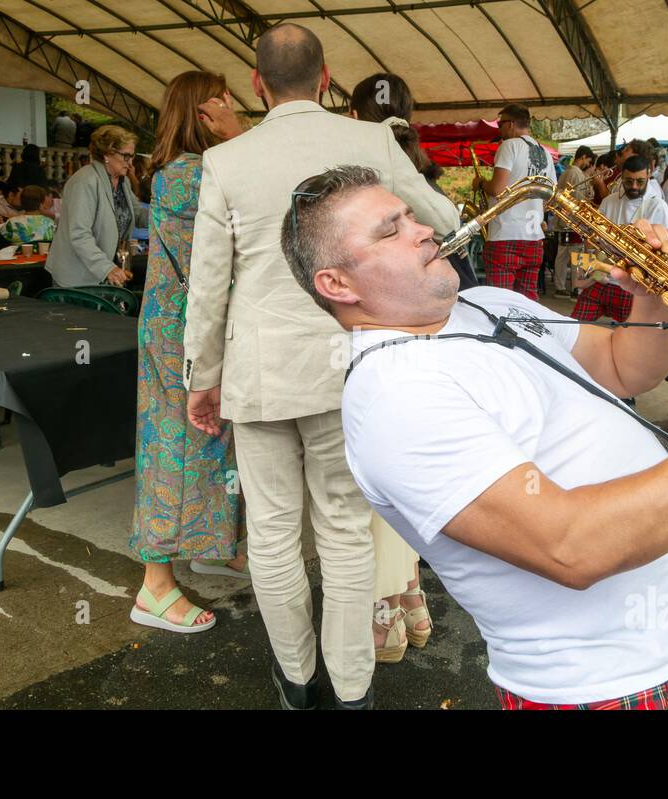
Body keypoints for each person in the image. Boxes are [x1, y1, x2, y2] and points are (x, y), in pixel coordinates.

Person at [285, 165, 668, 709]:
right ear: (336, 283)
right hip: (604, 686)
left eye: (411, 215)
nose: (425, 229)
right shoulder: (393, 395)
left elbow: (625, 366)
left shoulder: (484, 303)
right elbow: (573, 547)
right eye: (393, 230)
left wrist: (652, 295)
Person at [182, 23, 459, 711]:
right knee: (342, 525)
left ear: (256, 83)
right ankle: (354, 686)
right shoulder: (369, 141)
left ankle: (298, 681)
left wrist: (202, 377)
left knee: (272, 533)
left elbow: (207, 284)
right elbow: (445, 221)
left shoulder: (227, 161)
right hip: (354, 365)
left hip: (260, 371)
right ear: (327, 77)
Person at [125, 71, 249, 635]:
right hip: (182, 338)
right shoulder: (190, 175)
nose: (232, 106)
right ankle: (153, 587)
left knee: (209, 447)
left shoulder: (193, 170)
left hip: (190, 331)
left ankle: (211, 545)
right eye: (221, 100)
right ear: (203, 111)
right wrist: (241, 134)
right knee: (173, 453)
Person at [347, 72, 442, 660]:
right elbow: (445, 219)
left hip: (370, 323)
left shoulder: (366, 148)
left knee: (370, 470)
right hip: (417, 330)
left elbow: (442, 216)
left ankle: (384, 611)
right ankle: (409, 594)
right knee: (398, 464)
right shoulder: (408, 151)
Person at [347, 72, 475, 295]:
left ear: (354, 116)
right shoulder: (417, 169)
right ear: (409, 113)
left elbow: (446, 224)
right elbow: (449, 224)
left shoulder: (359, 167)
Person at [571, 155, 668, 326]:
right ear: (621, 176)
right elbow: (592, 237)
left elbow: (663, 251)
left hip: (634, 285)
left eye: (640, 182)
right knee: (574, 325)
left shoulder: (658, 206)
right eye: (629, 181)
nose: (634, 186)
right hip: (601, 277)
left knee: (635, 337)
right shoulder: (610, 201)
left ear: (648, 175)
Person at [472, 103, 556, 299]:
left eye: (500, 125)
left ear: (510, 124)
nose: (499, 130)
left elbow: (497, 189)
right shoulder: (545, 153)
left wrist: (481, 183)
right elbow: (549, 196)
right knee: (527, 301)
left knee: (500, 300)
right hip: (534, 238)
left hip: (505, 235)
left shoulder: (509, 146)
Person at [44, 125, 137, 287]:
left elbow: (138, 212)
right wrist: (107, 268)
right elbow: (79, 234)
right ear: (107, 154)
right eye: (126, 156)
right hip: (77, 277)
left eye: (132, 156)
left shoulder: (123, 182)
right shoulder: (85, 181)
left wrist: (169, 216)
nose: (130, 163)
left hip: (105, 274)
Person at [550, 146, 608, 298]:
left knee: (563, 256)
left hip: (563, 221)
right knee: (578, 255)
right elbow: (578, 200)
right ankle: (577, 288)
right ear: (582, 157)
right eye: (588, 161)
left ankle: (561, 286)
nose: (588, 165)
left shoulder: (566, 173)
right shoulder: (575, 174)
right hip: (573, 221)